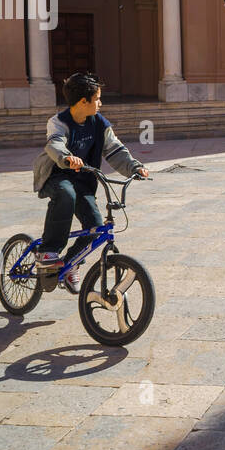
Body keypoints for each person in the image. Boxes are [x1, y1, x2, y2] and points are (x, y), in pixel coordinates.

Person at [31, 72, 149, 292]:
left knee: (95, 229)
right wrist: (67, 158)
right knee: (66, 194)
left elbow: (115, 150)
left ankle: (71, 263)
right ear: (83, 101)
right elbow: (55, 144)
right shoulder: (58, 122)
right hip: (57, 176)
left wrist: (134, 167)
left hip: (83, 180)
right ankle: (49, 251)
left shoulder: (99, 124)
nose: (100, 103)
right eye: (97, 99)